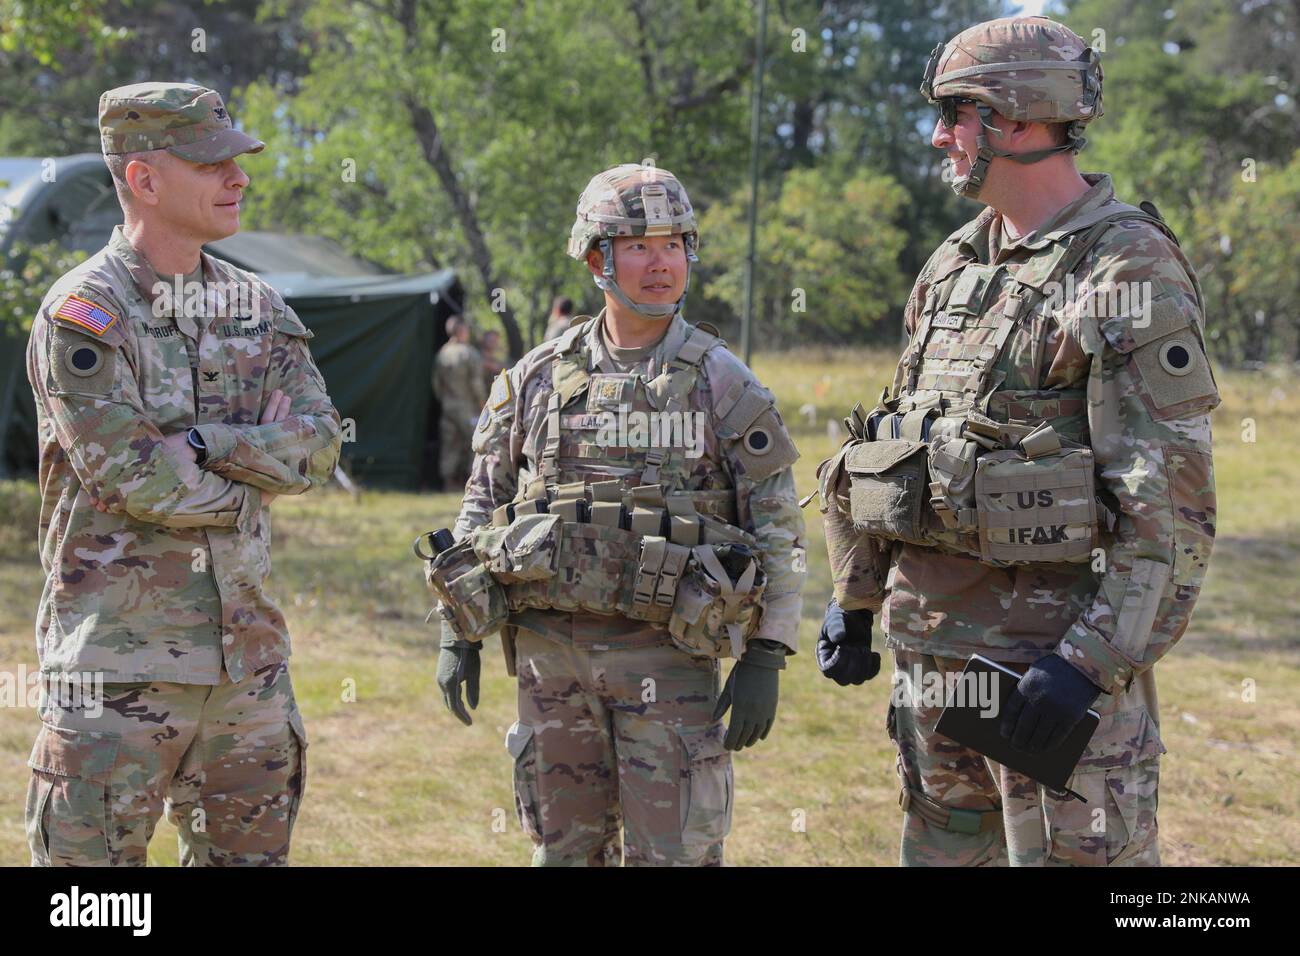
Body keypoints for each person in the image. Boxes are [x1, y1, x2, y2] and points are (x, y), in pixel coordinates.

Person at [816, 16, 1218, 867]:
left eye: (957, 112)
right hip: (935, 670)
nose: (939, 135)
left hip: (1052, 693)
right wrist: (855, 598)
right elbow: (894, 448)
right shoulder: (953, 266)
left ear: (1021, 115)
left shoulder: (1126, 271)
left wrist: (1088, 664)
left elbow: (1170, 515)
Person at [426, 163, 806, 866]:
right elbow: (483, 504)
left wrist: (767, 654)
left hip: (668, 655)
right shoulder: (536, 378)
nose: (661, 262)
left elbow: (776, 527)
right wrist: (460, 632)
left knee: (674, 856)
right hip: (551, 658)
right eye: (638, 245)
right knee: (563, 852)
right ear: (597, 258)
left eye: (674, 243)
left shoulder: (722, 382)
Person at [24, 82, 341, 866]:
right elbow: (138, 482)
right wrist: (261, 468)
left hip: (248, 671)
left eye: (236, 161)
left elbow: (323, 446)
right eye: (211, 164)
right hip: (119, 675)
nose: (237, 179)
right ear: (145, 179)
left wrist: (205, 442)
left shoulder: (258, 306)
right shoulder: (85, 314)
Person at [432, 314, 488, 490]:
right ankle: (474, 483)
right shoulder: (468, 353)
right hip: (468, 408)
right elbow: (476, 383)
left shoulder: (442, 354)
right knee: (476, 443)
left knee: (450, 445)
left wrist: (445, 400)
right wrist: (483, 405)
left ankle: (449, 483)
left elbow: (436, 384)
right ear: (462, 331)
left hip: (448, 407)